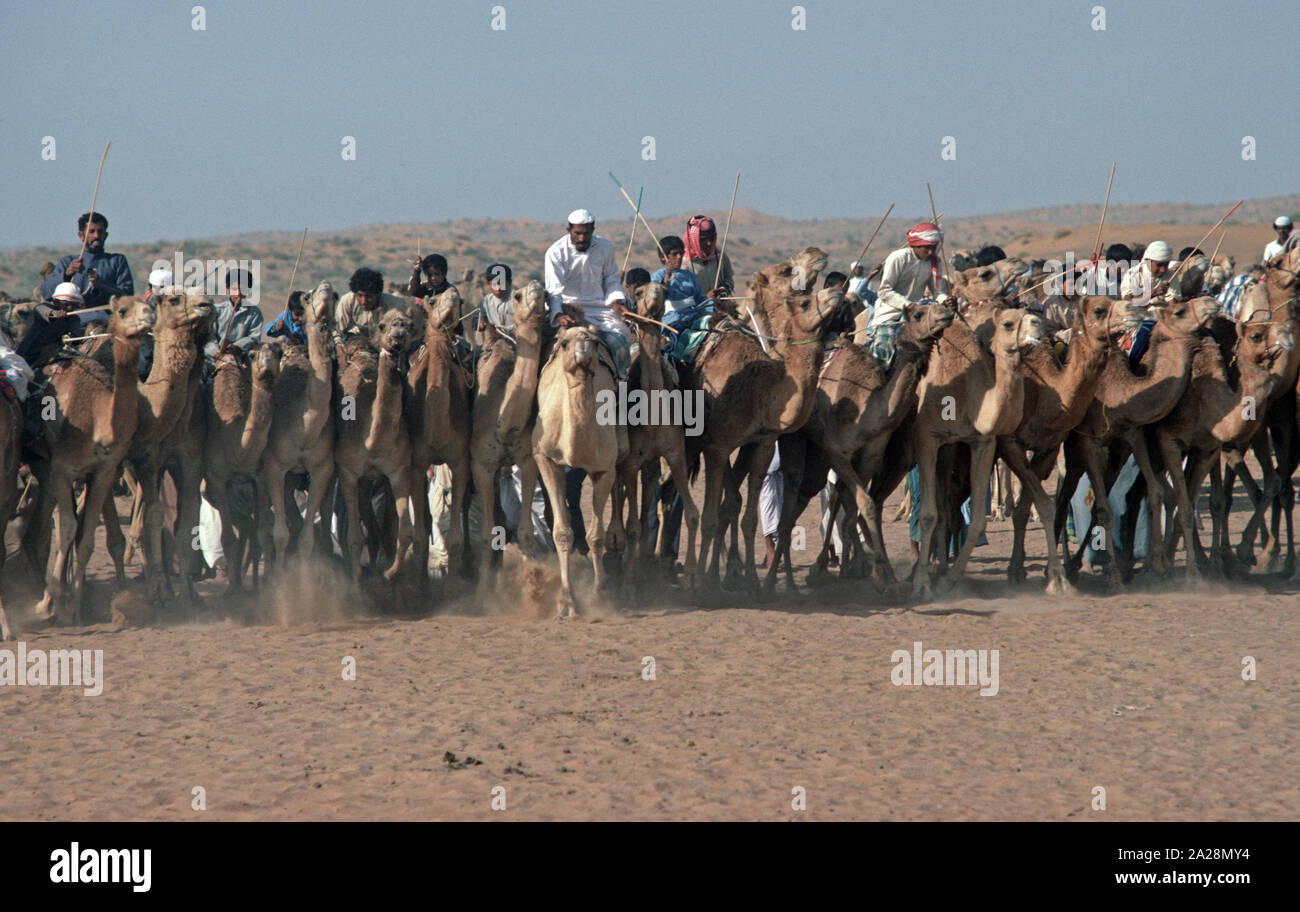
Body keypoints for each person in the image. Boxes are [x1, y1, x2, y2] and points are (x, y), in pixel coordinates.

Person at [866, 222, 947, 363]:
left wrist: (945, 300)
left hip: (918, 315)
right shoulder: (898, 258)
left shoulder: (934, 262)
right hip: (890, 313)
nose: (930, 253)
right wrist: (908, 305)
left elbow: (937, 292)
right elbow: (884, 291)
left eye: (933, 248)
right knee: (883, 352)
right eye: (927, 248)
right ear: (916, 245)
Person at [39, 213, 134, 323]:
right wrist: (67, 274)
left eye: (100, 231)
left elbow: (127, 296)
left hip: (108, 321)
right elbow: (46, 292)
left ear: (106, 235)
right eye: (91, 231)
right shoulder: (67, 262)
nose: (96, 236)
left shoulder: (117, 261)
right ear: (81, 235)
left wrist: (102, 286)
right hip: (73, 321)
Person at [334, 267, 408, 349]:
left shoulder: (395, 305)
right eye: (360, 296)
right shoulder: (347, 301)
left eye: (369, 296)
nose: (364, 301)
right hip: (356, 345)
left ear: (378, 294)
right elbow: (338, 332)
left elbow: (404, 333)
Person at [16, 282, 84, 368]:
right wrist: (54, 314)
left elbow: (78, 333)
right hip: (25, 358)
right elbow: (45, 312)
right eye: (66, 304)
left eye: (73, 305)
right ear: (56, 301)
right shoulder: (42, 307)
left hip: (50, 359)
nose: (70, 308)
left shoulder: (73, 319)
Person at [651, 235, 710, 332]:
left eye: (681, 253)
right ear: (662, 257)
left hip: (694, 315)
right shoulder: (658, 276)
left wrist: (710, 299)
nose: (679, 257)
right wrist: (663, 284)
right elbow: (654, 295)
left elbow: (699, 299)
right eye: (674, 254)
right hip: (672, 320)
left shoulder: (689, 276)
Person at [205, 269, 263, 362]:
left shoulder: (255, 314)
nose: (239, 293)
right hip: (213, 360)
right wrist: (218, 355)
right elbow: (209, 338)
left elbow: (254, 338)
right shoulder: (217, 310)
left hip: (241, 360)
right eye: (235, 289)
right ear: (228, 289)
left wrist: (237, 347)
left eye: (243, 289)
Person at [682, 215, 734, 299]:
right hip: (695, 311)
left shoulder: (720, 256)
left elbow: (729, 278)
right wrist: (705, 298)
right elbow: (681, 295)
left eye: (711, 238)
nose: (709, 243)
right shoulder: (684, 263)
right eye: (703, 240)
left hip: (720, 308)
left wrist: (723, 291)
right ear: (694, 240)